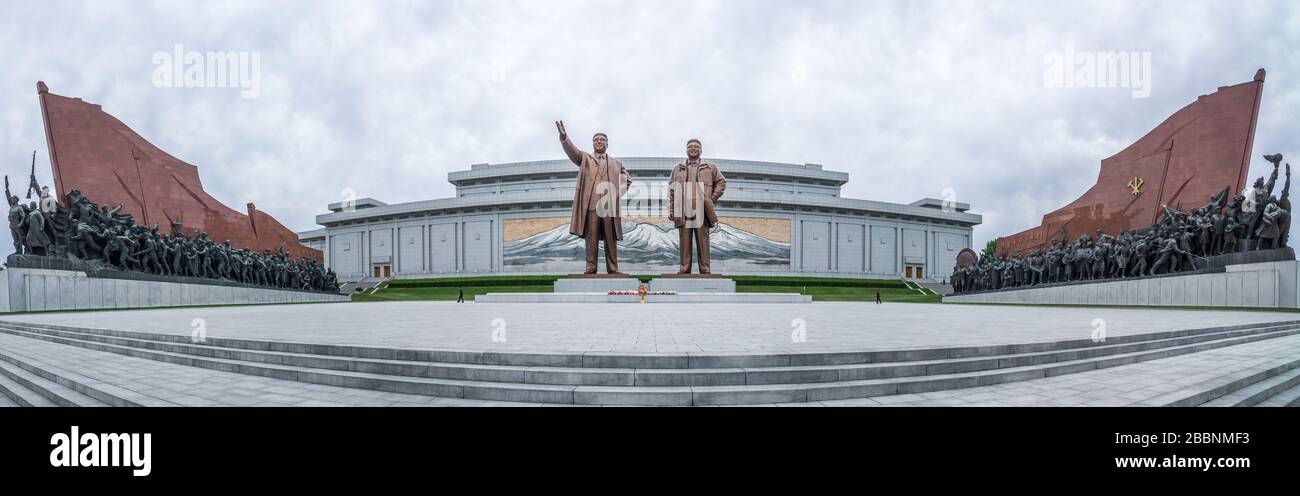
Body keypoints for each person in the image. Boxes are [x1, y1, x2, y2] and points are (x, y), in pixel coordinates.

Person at [556, 120, 631, 274]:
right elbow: (573, 151)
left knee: (611, 239)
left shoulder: (616, 163)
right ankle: (591, 268)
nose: (598, 142)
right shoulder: (585, 159)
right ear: (592, 143)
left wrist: (616, 194)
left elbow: (627, 180)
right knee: (591, 239)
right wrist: (564, 138)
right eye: (595, 140)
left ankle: (613, 268)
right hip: (591, 206)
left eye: (602, 139)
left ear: (607, 144)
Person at [667, 138, 727, 274]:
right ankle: (684, 269)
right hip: (683, 210)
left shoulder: (710, 167)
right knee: (685, 242)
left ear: (701, 150)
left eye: (696, 147)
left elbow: (721, 182)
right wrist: (672, 209)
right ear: (686, 150)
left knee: (703, 241)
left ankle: (705, 270)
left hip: (702, 209)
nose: (693, 148)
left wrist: (711, 198)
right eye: (690, 147)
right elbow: (672, 190)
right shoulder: (677, 169)